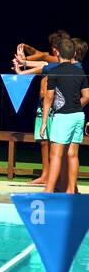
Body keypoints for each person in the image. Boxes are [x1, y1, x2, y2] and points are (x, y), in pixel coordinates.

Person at [16, 30, 70, 185]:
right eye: (52, 46)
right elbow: (39, 55)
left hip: (54, 107)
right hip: (42, 105)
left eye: (55, 46)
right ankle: (45, 174)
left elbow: (43, 57)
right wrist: (26, 50)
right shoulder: (51, 61)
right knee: (43, 141)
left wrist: (24, 60)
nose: (53, 49)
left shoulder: (61, 61)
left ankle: (55, 176)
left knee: (54, 142)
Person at [41, 37, 89, 193]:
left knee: (55, 155)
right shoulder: (80, 71)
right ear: (73, 53)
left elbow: (48, 97)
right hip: (78, 116)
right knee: (73, 154)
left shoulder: (54, 72)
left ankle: (48, 192)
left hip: (63, 117)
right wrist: (74, 106)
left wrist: (43, 123)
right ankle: (70, 192)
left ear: (57, 53)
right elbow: (87, 96)